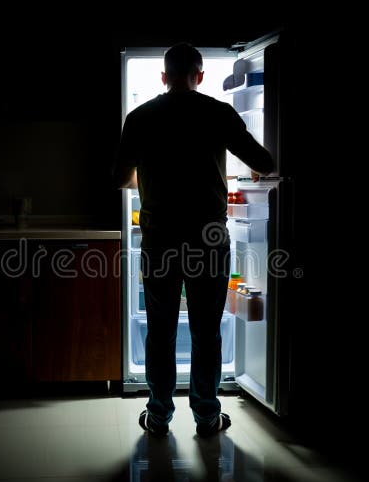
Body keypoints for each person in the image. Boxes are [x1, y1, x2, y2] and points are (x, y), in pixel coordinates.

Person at [113, 42, 275, 437]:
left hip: (159, 239)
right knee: (205, 330)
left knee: (161, 328)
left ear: (164, 77)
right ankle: (206, 416)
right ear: (200, 76)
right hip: (208, 238)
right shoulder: (217, 113)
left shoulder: (140, 117)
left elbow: (120, 178)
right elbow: (265, 164)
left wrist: (148, 177)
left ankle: (158, 415)